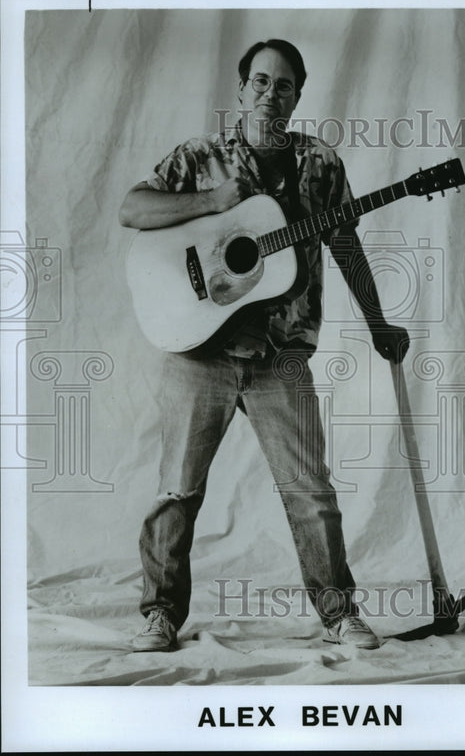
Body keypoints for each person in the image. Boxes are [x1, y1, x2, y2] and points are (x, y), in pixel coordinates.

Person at [119, 39, 409, 652]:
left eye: (284, 85)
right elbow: (132, 208)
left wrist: (380, 322)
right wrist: (213, 203)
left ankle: (337, 614)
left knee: (310, 490)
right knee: (178, 487)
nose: (270, 94)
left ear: (298, 96)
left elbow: (347, 248)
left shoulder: (321, 166)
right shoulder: (201, 157)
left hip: (282, 355)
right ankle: (160, 614)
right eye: (260, 81)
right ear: (241, 88)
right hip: (200, 349)